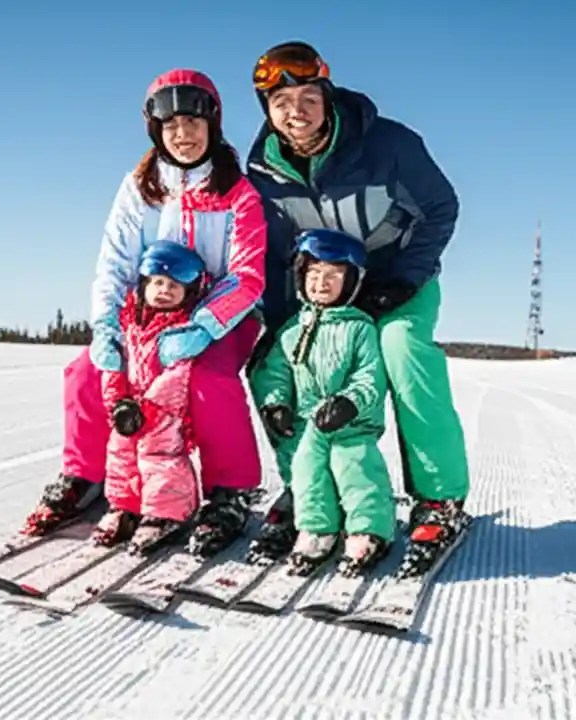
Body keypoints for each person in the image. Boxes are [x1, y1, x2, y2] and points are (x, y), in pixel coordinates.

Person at [243, 41, 470, 576]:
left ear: (328, 96)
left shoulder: (387, 144)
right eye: (281, 102)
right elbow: (275, 253)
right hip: (319, 295)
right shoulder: (263, 173)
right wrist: (278, 326)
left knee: (402, 352)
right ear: (267, 110)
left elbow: (441, 208)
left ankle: (439, 499)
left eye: (306, 97)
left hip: (394, 287)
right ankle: (307, 489)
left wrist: (402, 281)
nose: (295, 111)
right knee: (280, 368)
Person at [22, 69, 268, 558]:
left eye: (193, 122)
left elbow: (247, 274)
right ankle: (86, 476)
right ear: (156, 130)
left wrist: (203, 326)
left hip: (223, 317)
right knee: (88, 372)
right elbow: (114, 262)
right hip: (145, 318)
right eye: (171, 124)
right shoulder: (140, 188)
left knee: (207, 381)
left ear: (213, 123)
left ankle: (229, 491)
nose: (183, 133)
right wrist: (107, 325)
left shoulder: (238, 193)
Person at [250, 229, 396, 577]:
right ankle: (317, 528)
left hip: (351, 424)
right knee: (306, 472)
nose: (321, 283)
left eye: (333, 275)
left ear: (351, 283)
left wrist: (348, 402)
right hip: (307, 425)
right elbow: (275, 374)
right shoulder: (291, 329)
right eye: (314, 273)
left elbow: (369, 375)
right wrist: (276, 405)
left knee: (355, 468)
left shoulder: (360, 328)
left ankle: (368, 529)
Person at [92, 242, 209, 554]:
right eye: (157, 283)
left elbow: (177, 376)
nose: (164, 291)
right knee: (120, 452)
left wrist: (147, 407)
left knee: (160, 456)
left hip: (163, 414)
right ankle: (123, 507)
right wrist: (117, 403)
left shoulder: (182, 330)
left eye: (174, 286)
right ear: (143, 285)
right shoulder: (128, 325)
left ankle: (165, 512)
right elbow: (114, 367)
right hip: (128, 409)